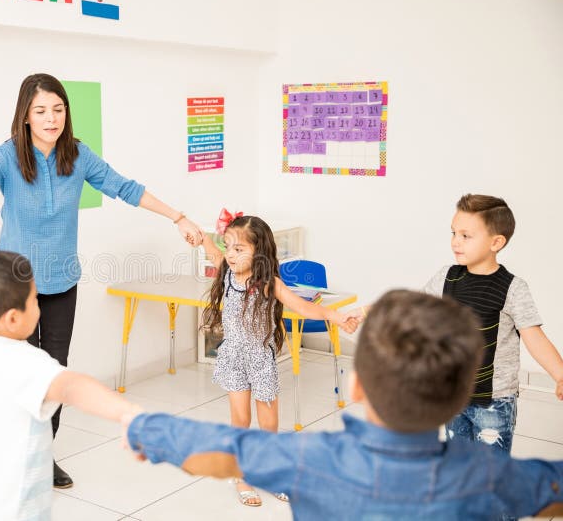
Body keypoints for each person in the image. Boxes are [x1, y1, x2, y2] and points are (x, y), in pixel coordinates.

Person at [0, 73, 201, 487]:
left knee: (55, 371)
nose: (51, 118)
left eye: (58, 110)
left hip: (62, 282)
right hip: (13, 289)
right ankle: (18, 455)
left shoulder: (78, 155)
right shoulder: (6, 158)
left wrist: (178, 217)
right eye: (41, 111)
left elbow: (124, 188)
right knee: (20, 375)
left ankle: (43, 455)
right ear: (25, 116)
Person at [123, 290, 563, 519]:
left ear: (354, 386)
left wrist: (142, 428)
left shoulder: (309, 459)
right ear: (461, 395)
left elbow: (219, 448)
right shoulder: (489, 473)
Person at [0, 250, 140, 520]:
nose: (39, 307)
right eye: (34, 300)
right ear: (13, 318)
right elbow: (72, 387)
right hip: (17, 508)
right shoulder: (25, 361)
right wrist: (127, 412)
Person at [199, 212, 358, 506]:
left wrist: (337, 317)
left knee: (269, 424)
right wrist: (190, 228)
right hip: (234, 356)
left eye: (239, 249)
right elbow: (209, 248)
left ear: (258, 252)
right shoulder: (227, 273)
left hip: (261, 359)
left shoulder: (269, 283)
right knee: (241, 419)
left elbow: (304, 307)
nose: (230, 255)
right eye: (228, 247)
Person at [423, 194, 563, 457]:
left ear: (496, 242)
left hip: (494, 400)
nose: (455, 242)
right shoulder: (446, 277)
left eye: (466, 236)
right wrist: (367, 313)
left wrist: (559, 373)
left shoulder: (512, 288)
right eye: (454, 233)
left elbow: (534, 337)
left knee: (491, 469)